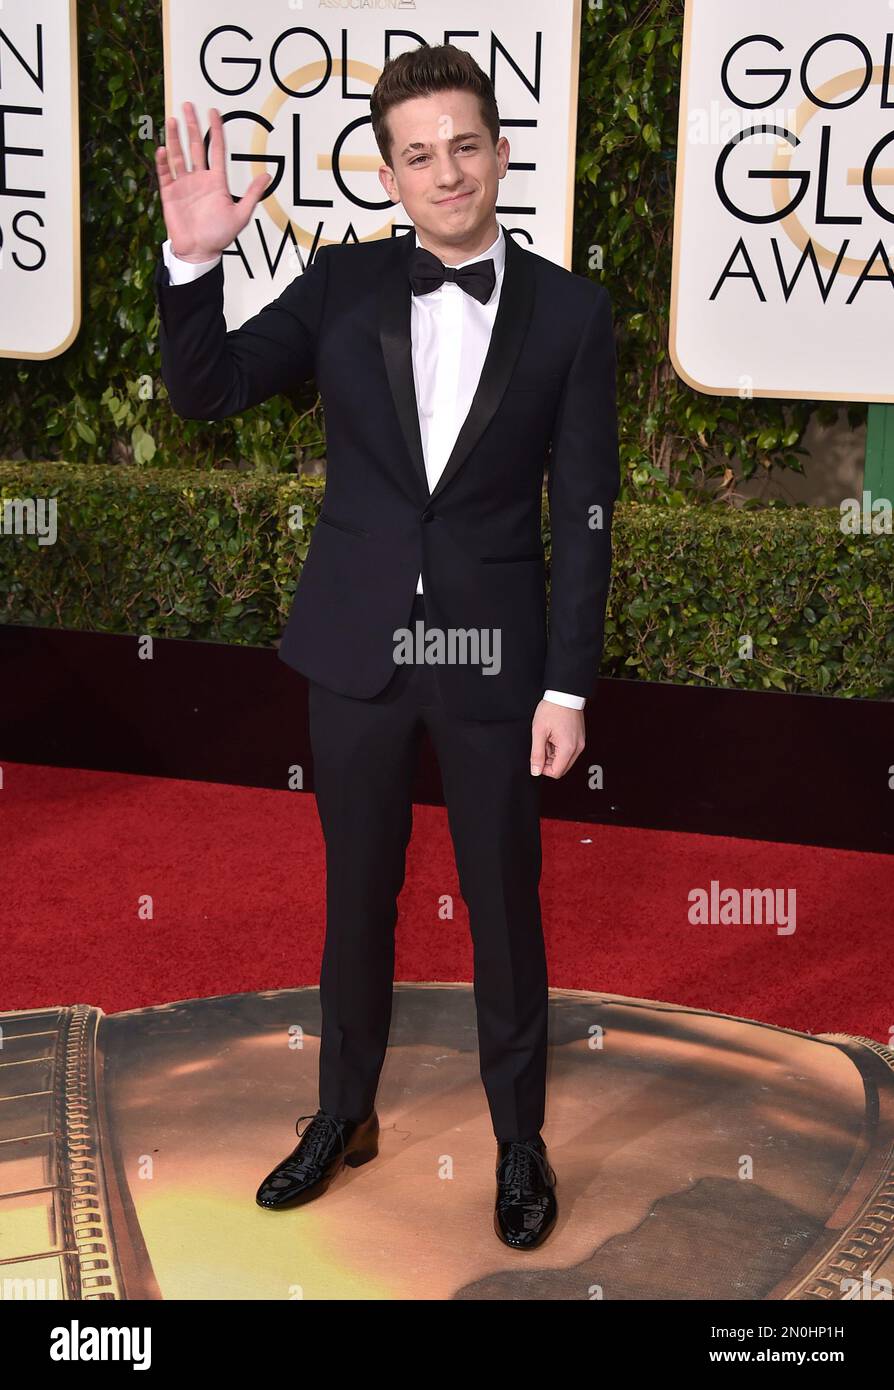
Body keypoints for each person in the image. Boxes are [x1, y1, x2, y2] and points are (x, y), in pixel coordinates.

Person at [153, 42, 619, 1251]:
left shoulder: (573, 311)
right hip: (355, 648)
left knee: (505, 904)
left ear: (502, 151)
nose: (445, 171)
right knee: (354, 896)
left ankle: (519, 1141)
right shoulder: (346, 284)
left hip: (494, 662)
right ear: (390, 170)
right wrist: (193, 262)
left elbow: (583, 511)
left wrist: (566, 683)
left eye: (465, 144)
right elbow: (209, 391)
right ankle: (342, 1116)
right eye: (418, 153)